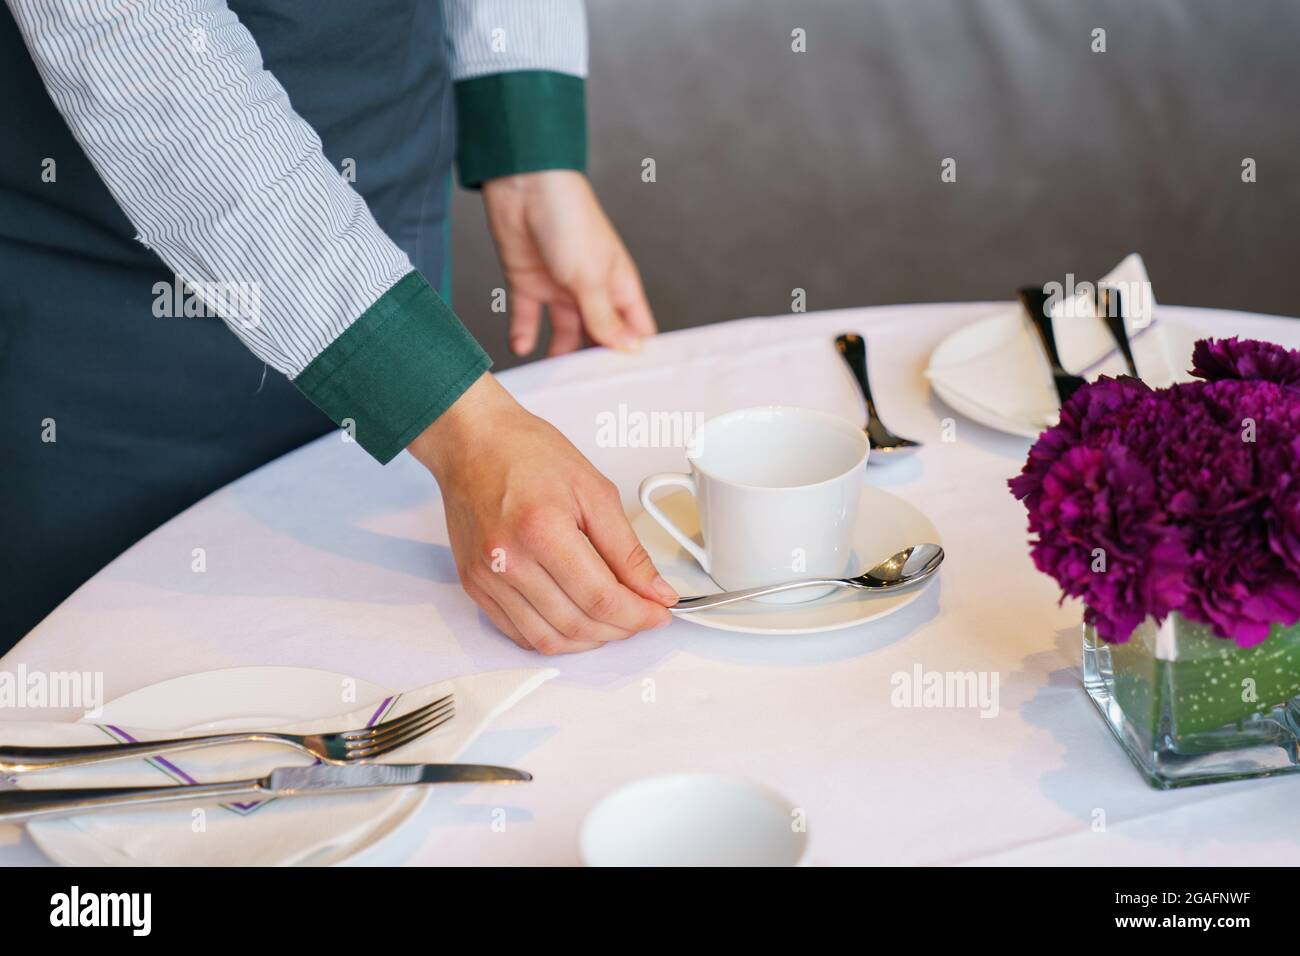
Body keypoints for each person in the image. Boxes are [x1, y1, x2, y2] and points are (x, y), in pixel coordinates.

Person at [0, 0, 677, 655]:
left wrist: (528, 139)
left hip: (382, 174)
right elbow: (136, 45)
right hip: (103, 292)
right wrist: (461, 422)